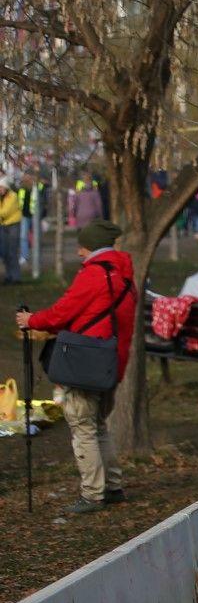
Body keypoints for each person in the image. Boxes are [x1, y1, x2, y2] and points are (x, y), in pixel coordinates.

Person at [18, 220, 136, 514]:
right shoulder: (124, 275)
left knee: (83, 427)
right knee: (99, 427)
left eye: (81, 245)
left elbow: (63, 311)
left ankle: (92, 494)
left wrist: (31, 321)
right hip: (111, 362)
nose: (78, 251)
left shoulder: (94, 275)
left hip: (85, 364)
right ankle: (113, 486)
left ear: (91, 246)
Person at [0, 176, 21, 283]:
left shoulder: (12, 196)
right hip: (3, 226)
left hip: (13, 225)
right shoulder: (1, 198)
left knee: (12, 252)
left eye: (1, 187)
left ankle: (15, 277)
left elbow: (6, 212)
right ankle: (8, 275)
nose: (0, 190)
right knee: (5, 253)